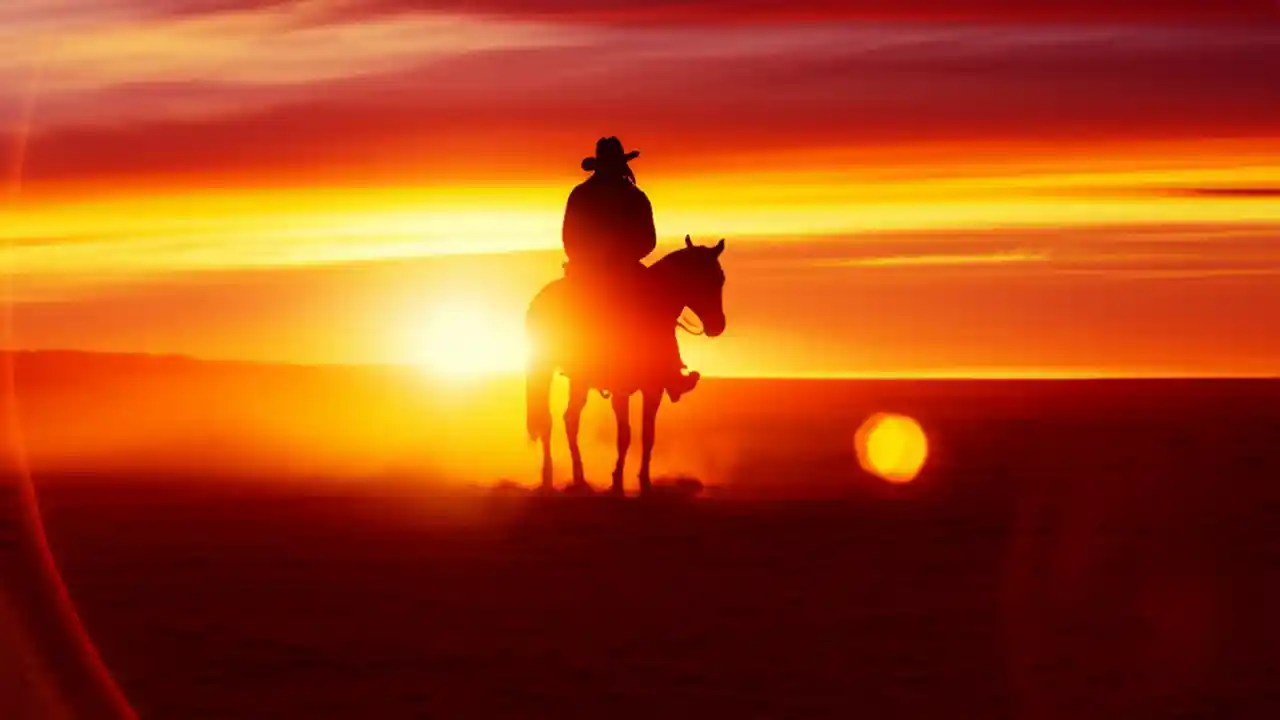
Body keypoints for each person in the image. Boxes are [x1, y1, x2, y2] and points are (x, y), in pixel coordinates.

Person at [562, 137, 699, 401]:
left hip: (605, 268)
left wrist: (612, 256)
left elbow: (647, 239)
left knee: (659, 305)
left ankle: (668, 371)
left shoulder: (587, 195)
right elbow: (647, 239)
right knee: (656, 308)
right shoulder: (628, 196)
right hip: (596, 269)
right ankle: (669, 373)